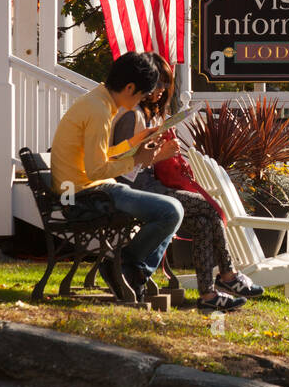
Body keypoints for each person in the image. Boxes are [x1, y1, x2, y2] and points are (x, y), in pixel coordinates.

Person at [112, 54, 262, 313]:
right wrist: (160, 154)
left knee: (204, 222)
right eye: (156, 85)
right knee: (208, 208)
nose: (160, 92)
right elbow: (121, 166)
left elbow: (141, 159)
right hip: (138, 192)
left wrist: (160, 149)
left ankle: (208, 294)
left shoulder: (150, 116)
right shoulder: (131, 116)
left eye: (164, 86)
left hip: (154, 188)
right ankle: (227, 275)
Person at [50, 51, 182, 301]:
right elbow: (96, 169)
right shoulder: (99, 111)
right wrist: (136, 160)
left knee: (173, 209)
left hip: (85, 189)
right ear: (130, 87)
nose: (144, 98)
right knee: (171, 211)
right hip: (88, 195)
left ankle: (128, 270)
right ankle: (128, 268)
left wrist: (135, 141)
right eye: (143, 93)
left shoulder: (97, 103)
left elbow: (99, 156)